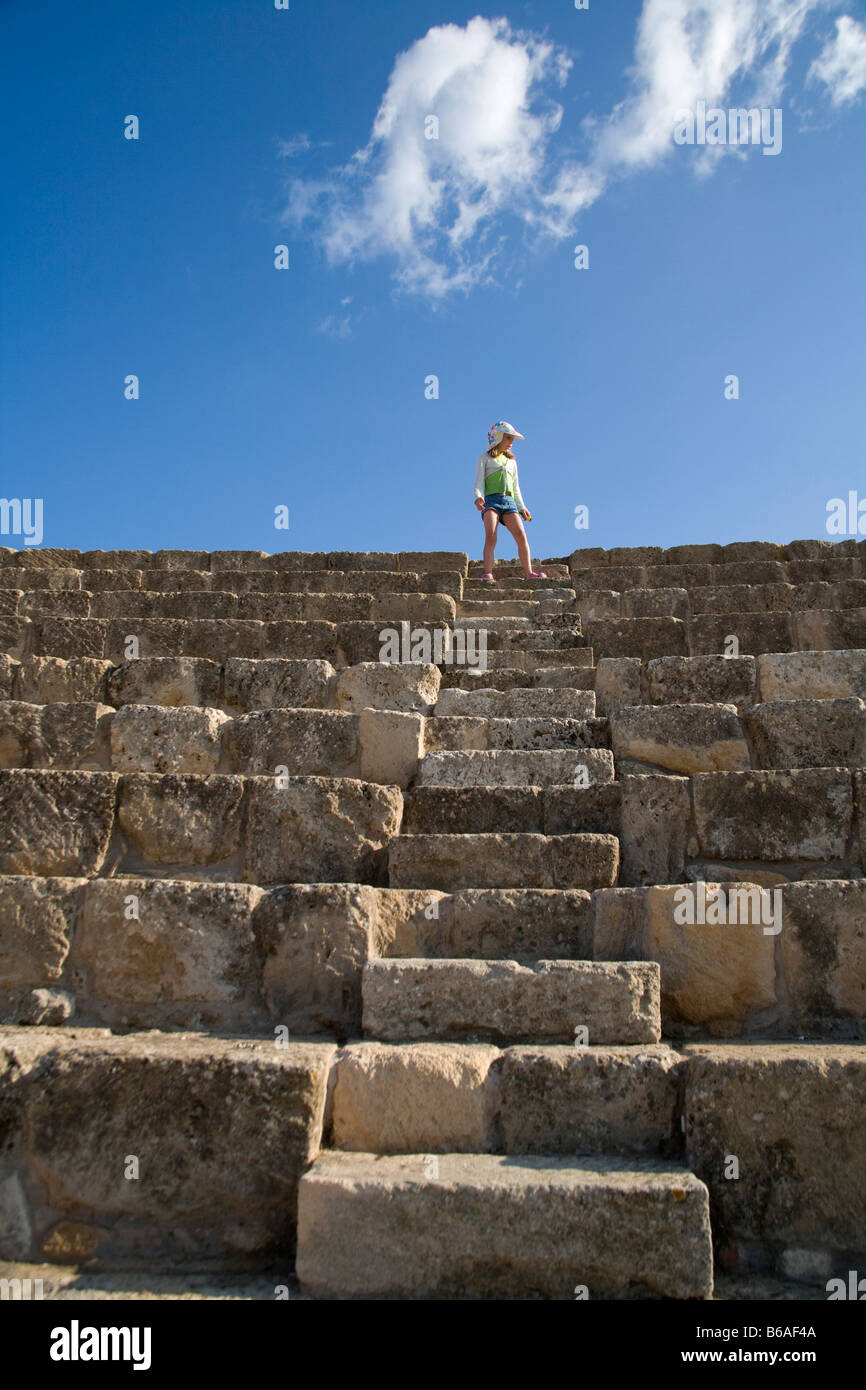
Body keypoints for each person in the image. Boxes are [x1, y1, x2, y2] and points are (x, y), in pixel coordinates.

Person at [473, 420, 547, 582]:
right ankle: (488, 572)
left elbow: (516, 487)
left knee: (521, 535)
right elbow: (479, 481)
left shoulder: (512, 462)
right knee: (491, 535)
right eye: (507, 438)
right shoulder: (484, 458)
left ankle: (529, 572)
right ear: (498, 437)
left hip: (509, 501)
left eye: (512, 439)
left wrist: (522, 507)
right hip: (490, 501)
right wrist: (478, 497)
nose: (511, 442)